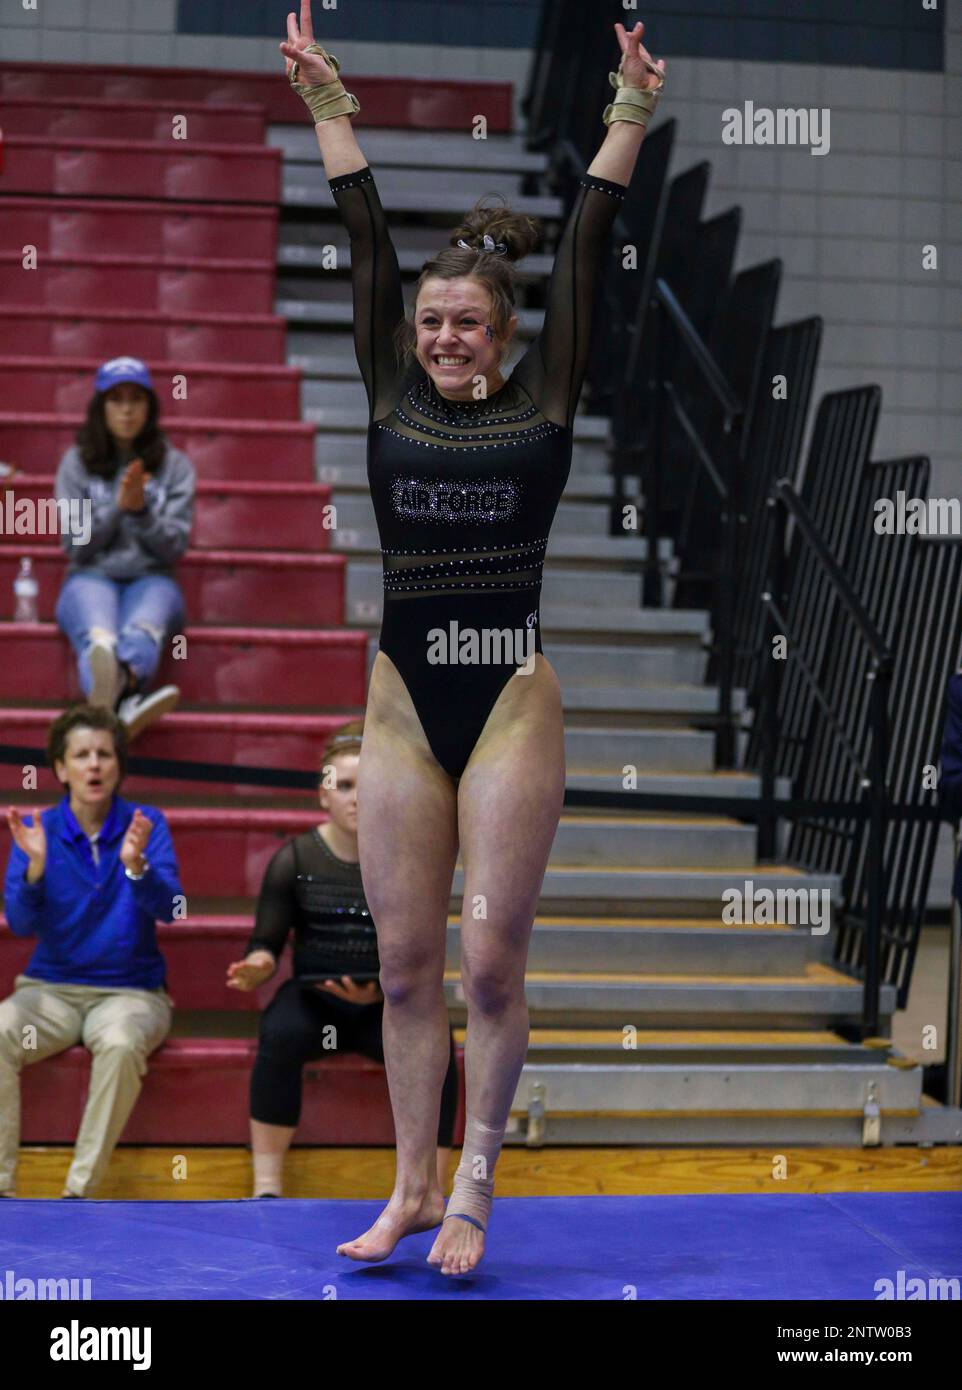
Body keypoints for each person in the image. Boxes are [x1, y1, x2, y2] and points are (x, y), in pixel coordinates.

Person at [279, 1, 666, 1275]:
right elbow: (363, 233)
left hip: (505, 698)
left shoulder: (543, 401)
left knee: (487, 960)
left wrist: (623, 116)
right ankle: (406, 1187)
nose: (444, 336)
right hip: (399, 702)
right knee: (401, 971)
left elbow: (596, 232)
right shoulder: (392, 386)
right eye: (431, 320)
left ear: (502, 343)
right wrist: (330, 106)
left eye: (468, 324)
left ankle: (478, 1187)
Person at [226, 720, 459, 1198]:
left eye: (366, 786)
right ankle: (267, 1184)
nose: (356, 797)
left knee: (438, 1046)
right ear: (323, 796)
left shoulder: (408, 858)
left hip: (386, 1004)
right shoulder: (294, 859)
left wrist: (389, 988)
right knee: (280, 1034)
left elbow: (422, 942)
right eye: (344, 786)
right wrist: (258, 966)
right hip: (317, 1001)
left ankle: (432, 1187)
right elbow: (267, 941)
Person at [0, 703, 181, 1198]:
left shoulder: (147, 824)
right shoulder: (38, 830)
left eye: (104, 754)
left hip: (132, 994)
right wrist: (35, 868)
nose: (94, 764)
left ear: (119, 765)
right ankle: (2, 1188)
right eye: (81, 755)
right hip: (50, 992)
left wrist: (138, 868)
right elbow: (19, 922)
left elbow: (175, 910)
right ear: (60, 769)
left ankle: (78, 1192)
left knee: (121, 1044)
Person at [54, 356, 195, 740]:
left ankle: (111, 704)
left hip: (153, 577)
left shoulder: (174, 465)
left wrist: (141, 511)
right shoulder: (76, 463)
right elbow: (75, 546)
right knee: (100, 638)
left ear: (150, 407)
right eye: (116, 399)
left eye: (136, 398)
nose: (127, 408)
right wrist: (118, 507)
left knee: (143, 629)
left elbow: (174, 548)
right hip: (90, 575)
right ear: (101, 407)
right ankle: (126, 703)